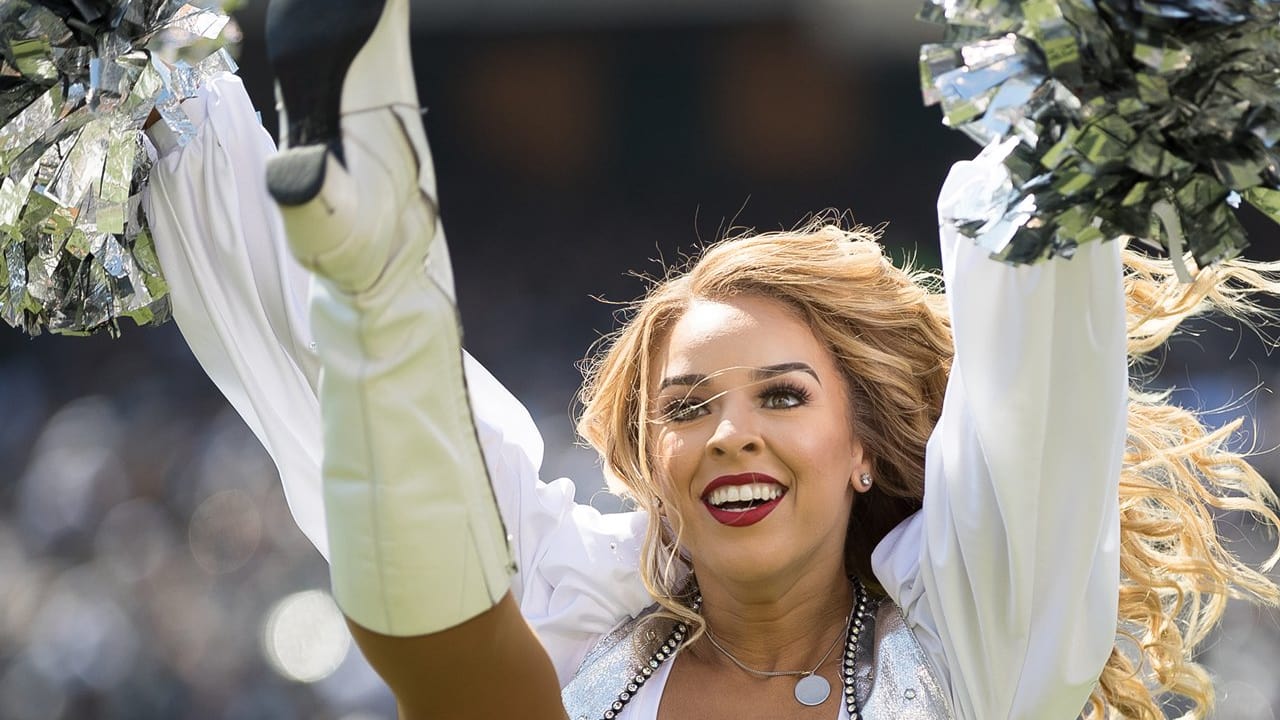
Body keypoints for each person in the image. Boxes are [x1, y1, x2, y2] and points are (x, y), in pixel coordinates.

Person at [140, 0, 1280, 718]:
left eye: (782, 395)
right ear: (649, 468)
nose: (731, 431)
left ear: (862, 451)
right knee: (453, 577)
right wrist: (153, 79)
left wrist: (1072, 105)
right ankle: (376, 257)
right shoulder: (590, 626)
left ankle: (378, 273)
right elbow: (333, 407)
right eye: (685, 408)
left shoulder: (971, 648)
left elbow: (1036, 406)